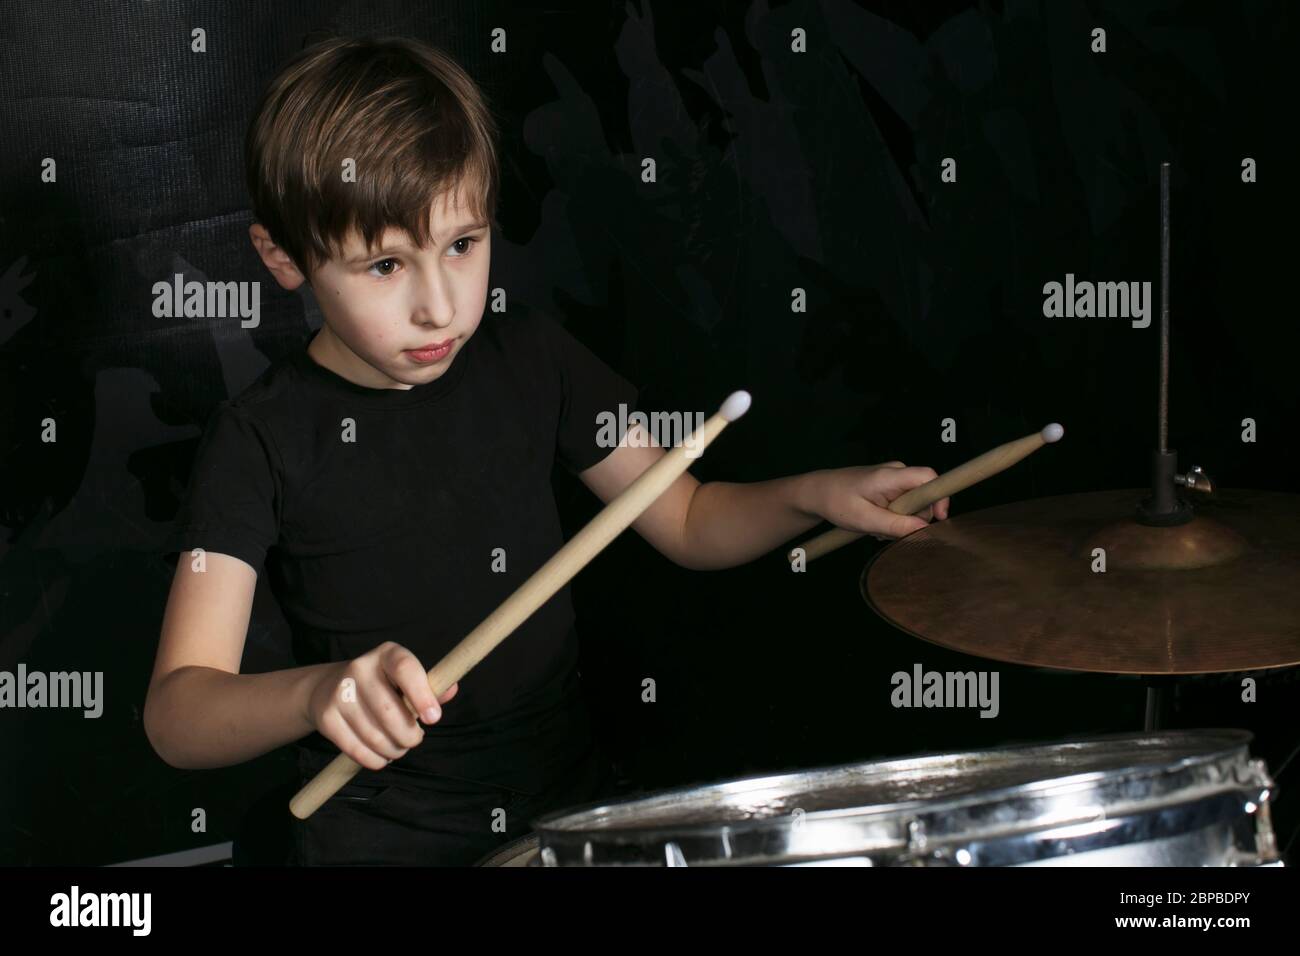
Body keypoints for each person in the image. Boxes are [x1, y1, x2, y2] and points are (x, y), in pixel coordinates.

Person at [143, 34, 949, 866]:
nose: (440, 306)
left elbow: (685, 516)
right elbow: (178, 713)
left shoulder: (532, 357)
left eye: (463, 245)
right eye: (385, 265)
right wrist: (318, 693)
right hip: (383, 841)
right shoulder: (259, 439)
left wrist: (814, 494)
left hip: (568, 812)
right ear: (283, 256)